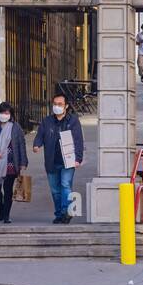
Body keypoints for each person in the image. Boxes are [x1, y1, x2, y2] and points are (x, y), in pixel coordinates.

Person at [32, 91, 85, 224]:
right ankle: (59, 214)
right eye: (55, 104)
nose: (57, 106)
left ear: (66, 106)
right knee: (55, 190)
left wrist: (78, 158)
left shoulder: (73, 121)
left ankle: (67, 211)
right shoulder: (47, 121)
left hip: (68, 161)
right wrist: (36, 145)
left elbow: (78, 140)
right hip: (51, 160)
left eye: (60, 104)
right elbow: (40, 135)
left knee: (65, 184)